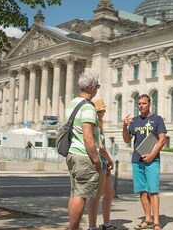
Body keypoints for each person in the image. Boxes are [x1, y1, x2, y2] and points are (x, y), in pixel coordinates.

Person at [122, 94, 167, 230]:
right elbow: (126, 140)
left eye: (144, 103)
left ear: (150, 104)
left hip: (152, 161)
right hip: (137, 160)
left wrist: (152, 155)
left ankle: (157, 222)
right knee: (142, 191)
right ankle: (147, 219)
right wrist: (124, 126)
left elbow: (162, 139)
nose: (141, 106)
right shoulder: (134, 121)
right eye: (139, 104)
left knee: (153, 191)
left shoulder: (157, 119)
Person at [65, 71, 102, 230]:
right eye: (98, 87)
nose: (98, 89)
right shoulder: (88, 106)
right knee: (81, 195)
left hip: (72, 153)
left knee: (75, 193)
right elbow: (88, 137)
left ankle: (73, 226)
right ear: (93, 88)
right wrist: (95, 159)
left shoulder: (72, 103)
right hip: (83, 155)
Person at [87, 98, 117, 230]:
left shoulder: (99, 123)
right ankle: (92, 226)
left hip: (103, 163)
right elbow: (101, 148)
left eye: (104, 109)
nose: (104, 111)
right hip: (99, 163)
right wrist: (110, 160)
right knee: (96, 195)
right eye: (101, 109)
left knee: (109, 193)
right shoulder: (94, 124)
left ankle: (106, 224)